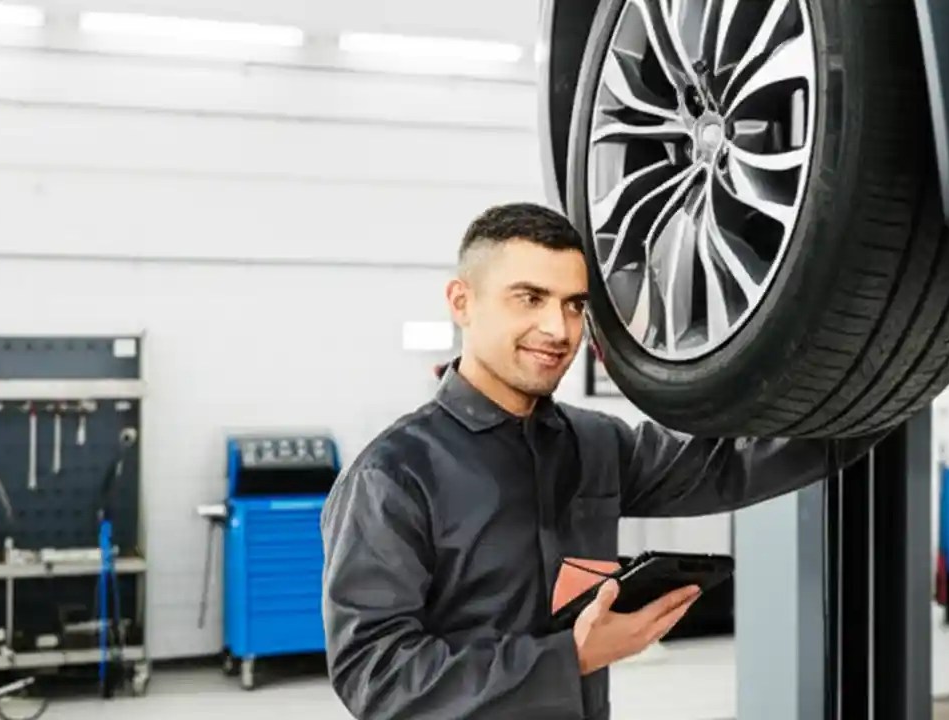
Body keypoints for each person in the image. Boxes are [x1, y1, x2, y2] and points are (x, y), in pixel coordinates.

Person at [320, 202, 879, 720]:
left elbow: (732, 464)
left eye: (574, 304)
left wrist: (887, 384)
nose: (558, 329)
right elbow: (377, 674)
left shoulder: (593, 443)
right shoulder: (391, 475)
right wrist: (570, 658)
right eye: (529, 298)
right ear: (462, 302)